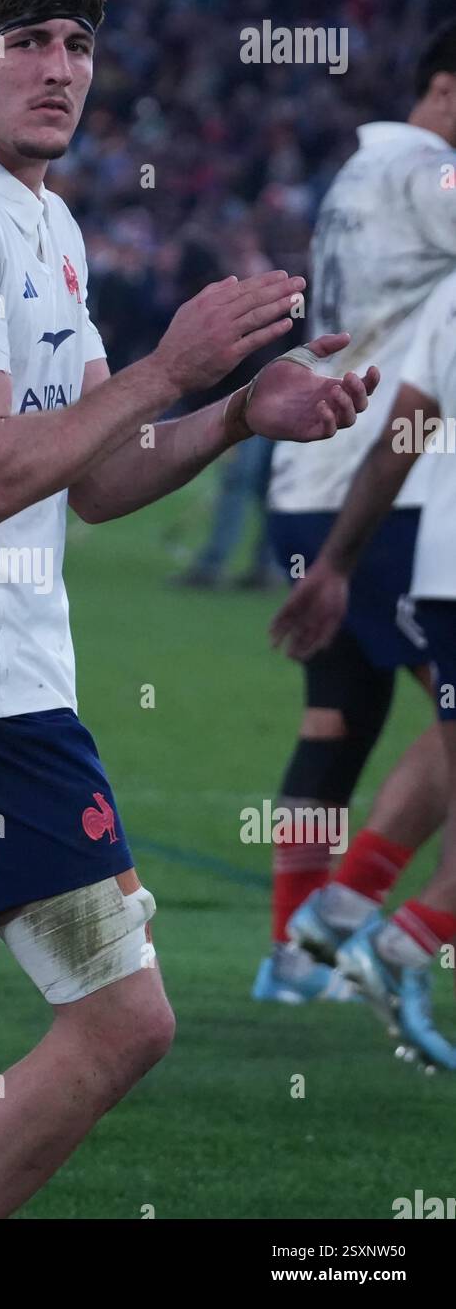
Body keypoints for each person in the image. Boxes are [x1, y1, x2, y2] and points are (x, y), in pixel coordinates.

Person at [0, 0, 378, 1219]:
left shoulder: (41, 219)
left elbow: (97, 474)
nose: (62, 69)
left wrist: (235, 412)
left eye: (77, 44)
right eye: (29, 43)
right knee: (127, 1022)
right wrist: (174, 367)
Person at [252, 21, 456, 1005]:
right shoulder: (428, 174)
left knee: (340, 717)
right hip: (385, 490)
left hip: (309, 482)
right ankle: (368, 929)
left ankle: (293, 953)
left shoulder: (356, 178)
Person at [271, 269, 456, 1070]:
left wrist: (337, 561)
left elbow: (404, 433)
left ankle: (338, 916)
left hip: (442, 569)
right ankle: (405, 946)